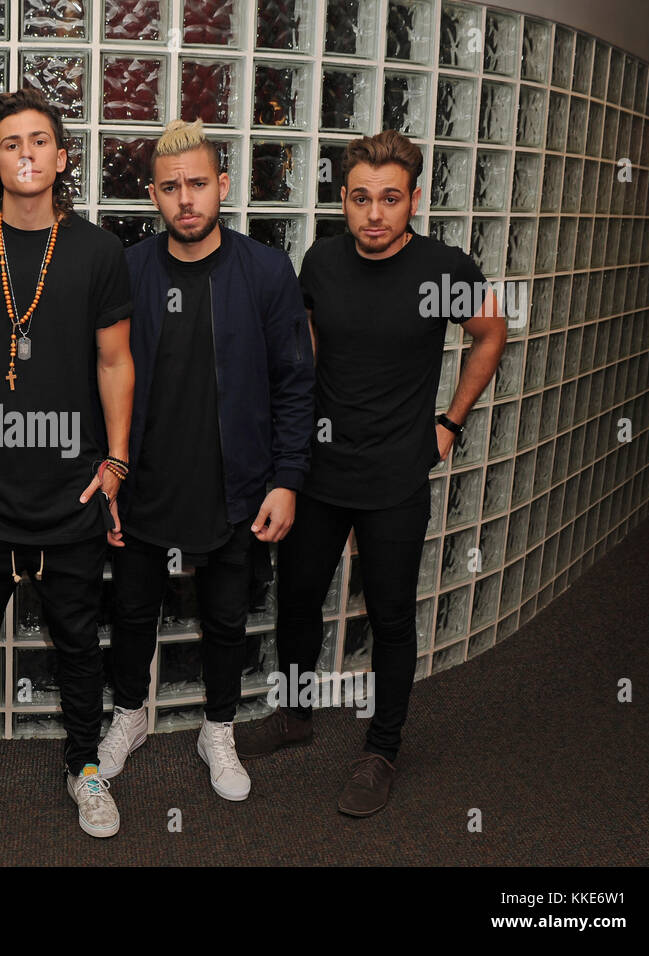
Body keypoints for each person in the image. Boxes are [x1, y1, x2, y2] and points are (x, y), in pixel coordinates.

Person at [236, 129, 507, 816]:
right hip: (320, 470)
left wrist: (450, 423)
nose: (375, 215)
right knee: (297, 601)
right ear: (344, 200)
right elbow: (308, 360)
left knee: (389, 615)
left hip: (394, 475)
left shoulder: (445, 268)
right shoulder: (321, 262)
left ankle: (382, 747)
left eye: (390, 199)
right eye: (361, 199)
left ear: (413, 199)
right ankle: (296, 715)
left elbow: (490, 332)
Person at [0, 88, 134, 837]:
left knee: (77, 640)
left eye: (40, 140)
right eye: (12, 143)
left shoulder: (100, 250)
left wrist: (116, 465)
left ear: (62, 156)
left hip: (70, 487)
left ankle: (84, 765)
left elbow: (116, 363)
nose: (28, 153)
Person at [97, 119, 315, 801]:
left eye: (197, 184)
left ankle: (215, 727)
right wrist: (107, 470)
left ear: (222, 186)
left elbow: (295, 383)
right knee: (133, 613)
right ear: (153, 197)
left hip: (238, 486)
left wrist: (288, 480)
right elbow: (95, 377)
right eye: (170, 188)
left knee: (226, 618)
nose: (185, 199)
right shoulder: (127, 271)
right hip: (145, 484)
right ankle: (130, 715)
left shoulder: (267, 271)